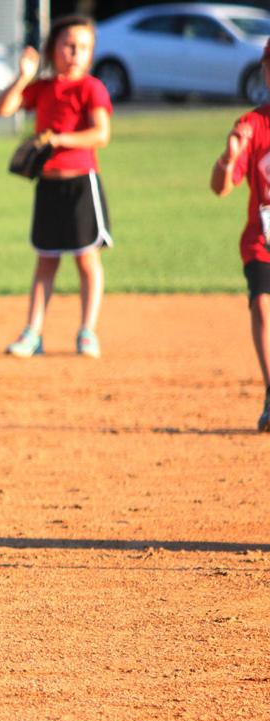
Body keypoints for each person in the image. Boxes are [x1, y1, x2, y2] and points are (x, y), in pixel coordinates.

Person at [0, 15, 113, 359]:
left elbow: (101, 134)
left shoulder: (91, 87)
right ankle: (33, 333)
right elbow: (2, 107)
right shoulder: (44, 88)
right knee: (46, 261)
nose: (75, 53)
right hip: (47, 186)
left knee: (86, 260)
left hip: (80, 185)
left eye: (84, 47)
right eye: (68, 45)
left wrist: (60, 139)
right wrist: (23, 76)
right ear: (53, 49)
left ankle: (87, 331)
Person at [210, 39, 270, 433]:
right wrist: (227, 159)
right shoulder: (251, 125)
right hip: (262, 238)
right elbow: (221, 187)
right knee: (262, 306)